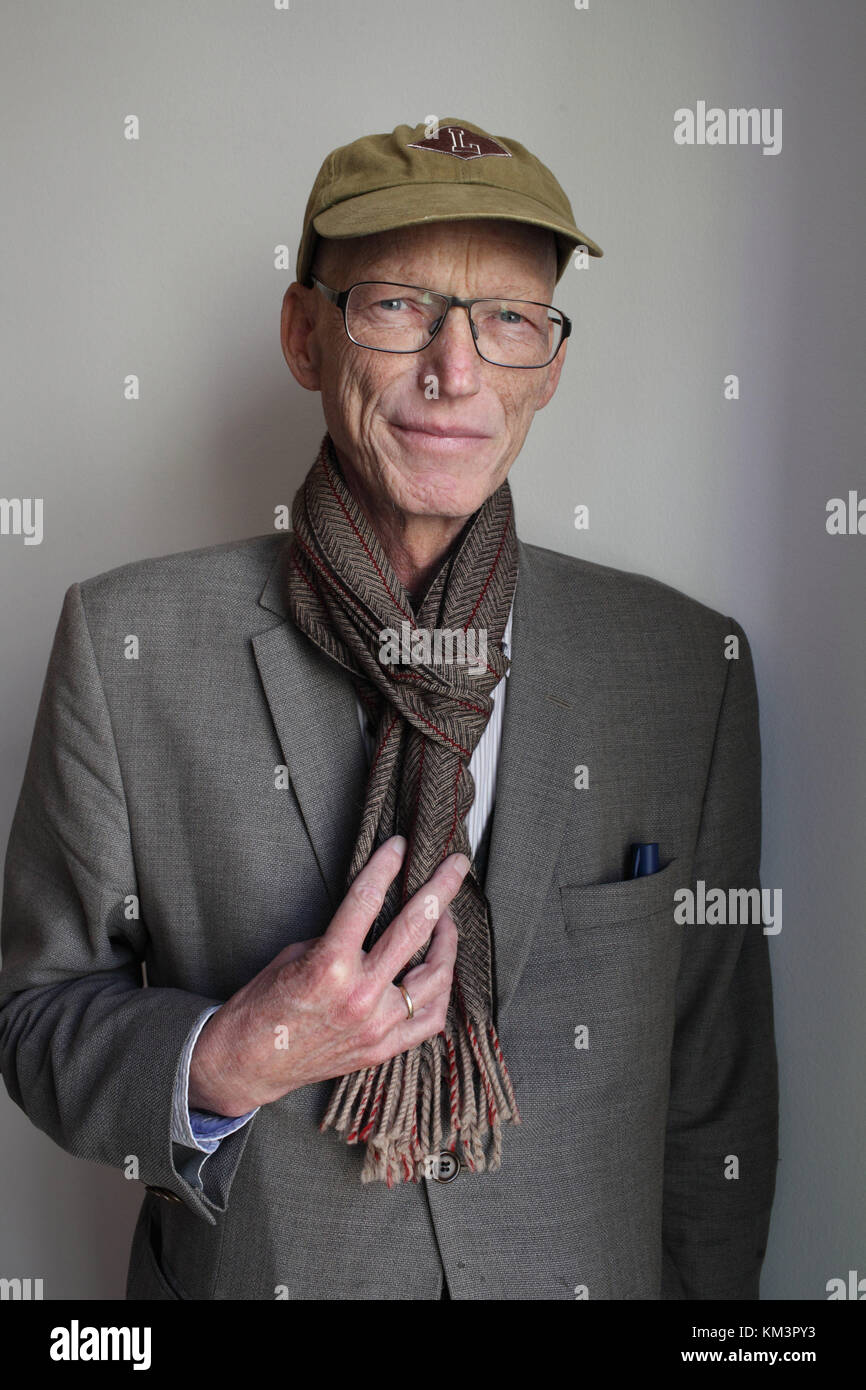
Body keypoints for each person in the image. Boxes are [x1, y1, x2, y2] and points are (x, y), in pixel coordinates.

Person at [0, 118, 778, 1300]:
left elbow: (713, 1086)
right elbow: (35, 1015)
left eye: (508, 319)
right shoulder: (126, 646)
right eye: (398, 306)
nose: (454, 370)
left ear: (549, 366)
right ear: (304, 334)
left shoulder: (683, 666)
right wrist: (227, 1054)